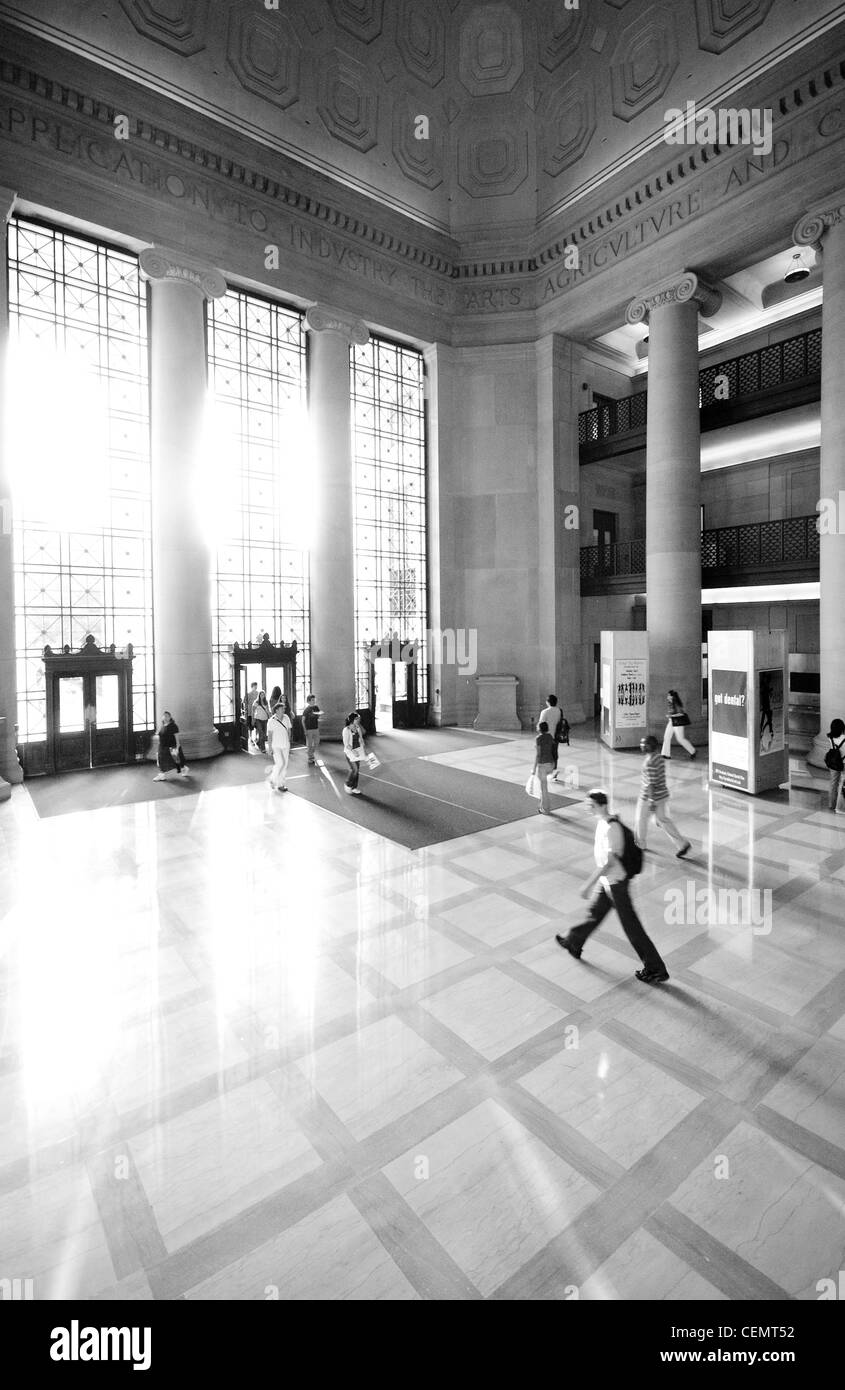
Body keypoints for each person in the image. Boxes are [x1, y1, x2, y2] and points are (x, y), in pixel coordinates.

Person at [555, 788, 669, 984]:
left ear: (603, 805)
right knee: (595, 914)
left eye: (591, 805)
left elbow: (609, 862)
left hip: (616, 884)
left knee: (632, 928)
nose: (588, 808)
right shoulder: (602, 823)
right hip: (608, 882)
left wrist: (588, 884)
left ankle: (655, 968)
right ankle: (574, 941)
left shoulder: (611, 828)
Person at [636, 735, 690, 857]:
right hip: (662, 795)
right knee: (662, 820)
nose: (641, 746)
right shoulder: (659, 758)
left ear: (648, 746)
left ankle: (641, 844)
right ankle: (682, 844)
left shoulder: (649, 762)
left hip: (649, 797)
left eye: (643, 744)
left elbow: (650, 783)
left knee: (641, 819)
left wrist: (651, 800)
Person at [153, 711, 188, 781]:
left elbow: (176, 737)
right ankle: (162, 775)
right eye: (164, 716)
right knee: (161, 760)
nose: (165, 717)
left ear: (170, 717)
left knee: (176, 760)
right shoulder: (163, 725)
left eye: (167, 716)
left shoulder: (173, 726)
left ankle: (184, 768)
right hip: (162, 746)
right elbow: (161, 734)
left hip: (172, 746)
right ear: (162, 717)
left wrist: (178, 746)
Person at [661, 689, 696, 759]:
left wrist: (671, 716)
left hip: (678, 722)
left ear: (672, 696)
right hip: (671, 721)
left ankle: (693, 751)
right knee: (666, 737)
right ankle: (665, 754)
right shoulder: (670, 703)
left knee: (680, 739)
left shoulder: (676, 703)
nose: (667, 697)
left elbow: (681, 713)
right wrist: (670, 716)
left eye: (668, 695)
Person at [267, 697, 292, 792]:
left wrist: (288, 741)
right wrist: (269, 747)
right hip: (276, 745)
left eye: (284, 709)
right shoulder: (271, 721)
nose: (284, 710)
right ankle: (273, 780)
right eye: (282, 709)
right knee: (280, 763)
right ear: (276, 710)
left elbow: (289, 730)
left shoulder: (286, 718)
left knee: (284, 764)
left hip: (285, 744)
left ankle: (280, 783)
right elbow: (269, 735)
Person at [532, 720, 557, 815]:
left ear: (539, 728)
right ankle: (542, 805)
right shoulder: (550, 737)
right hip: (550, 763)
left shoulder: (539, 738)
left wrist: (534, 768)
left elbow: (538, 755)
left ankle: (545, 808)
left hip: (542, 764)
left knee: (543, 788)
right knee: (544, 787)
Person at [342, 711, 365, 795]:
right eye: (356, 719)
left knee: (357, 770)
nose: (358, 720)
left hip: (358, 750)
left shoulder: (358, 727)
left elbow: (360, 738)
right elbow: (346, 744)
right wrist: (353, 751)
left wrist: (362, 742)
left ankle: (354, 787)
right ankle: (347, 784)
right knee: (354, 769)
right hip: (349, 752)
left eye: (358, 718)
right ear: (352, 720)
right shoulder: (346, 730)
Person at [826, 718, 845, 814]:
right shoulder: (844, 738)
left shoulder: (830, 737)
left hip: (833, 762)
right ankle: (840, 806)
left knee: (833, 783)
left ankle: (832, 805)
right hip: (844, 762)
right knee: (843, 784)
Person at [302, 692, 322, 765]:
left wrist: (319, 715)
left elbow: (318, 715)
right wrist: (305, 730)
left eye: (314, 700)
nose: (314, 701)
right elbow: (303, 721)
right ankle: (310, 758)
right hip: (309, 729)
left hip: (316, 728)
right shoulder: (306, 710)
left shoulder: (316, 708)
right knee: (310, 744)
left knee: (317, 742)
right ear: (309, 701)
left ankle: (310, 752)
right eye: (312, 700)